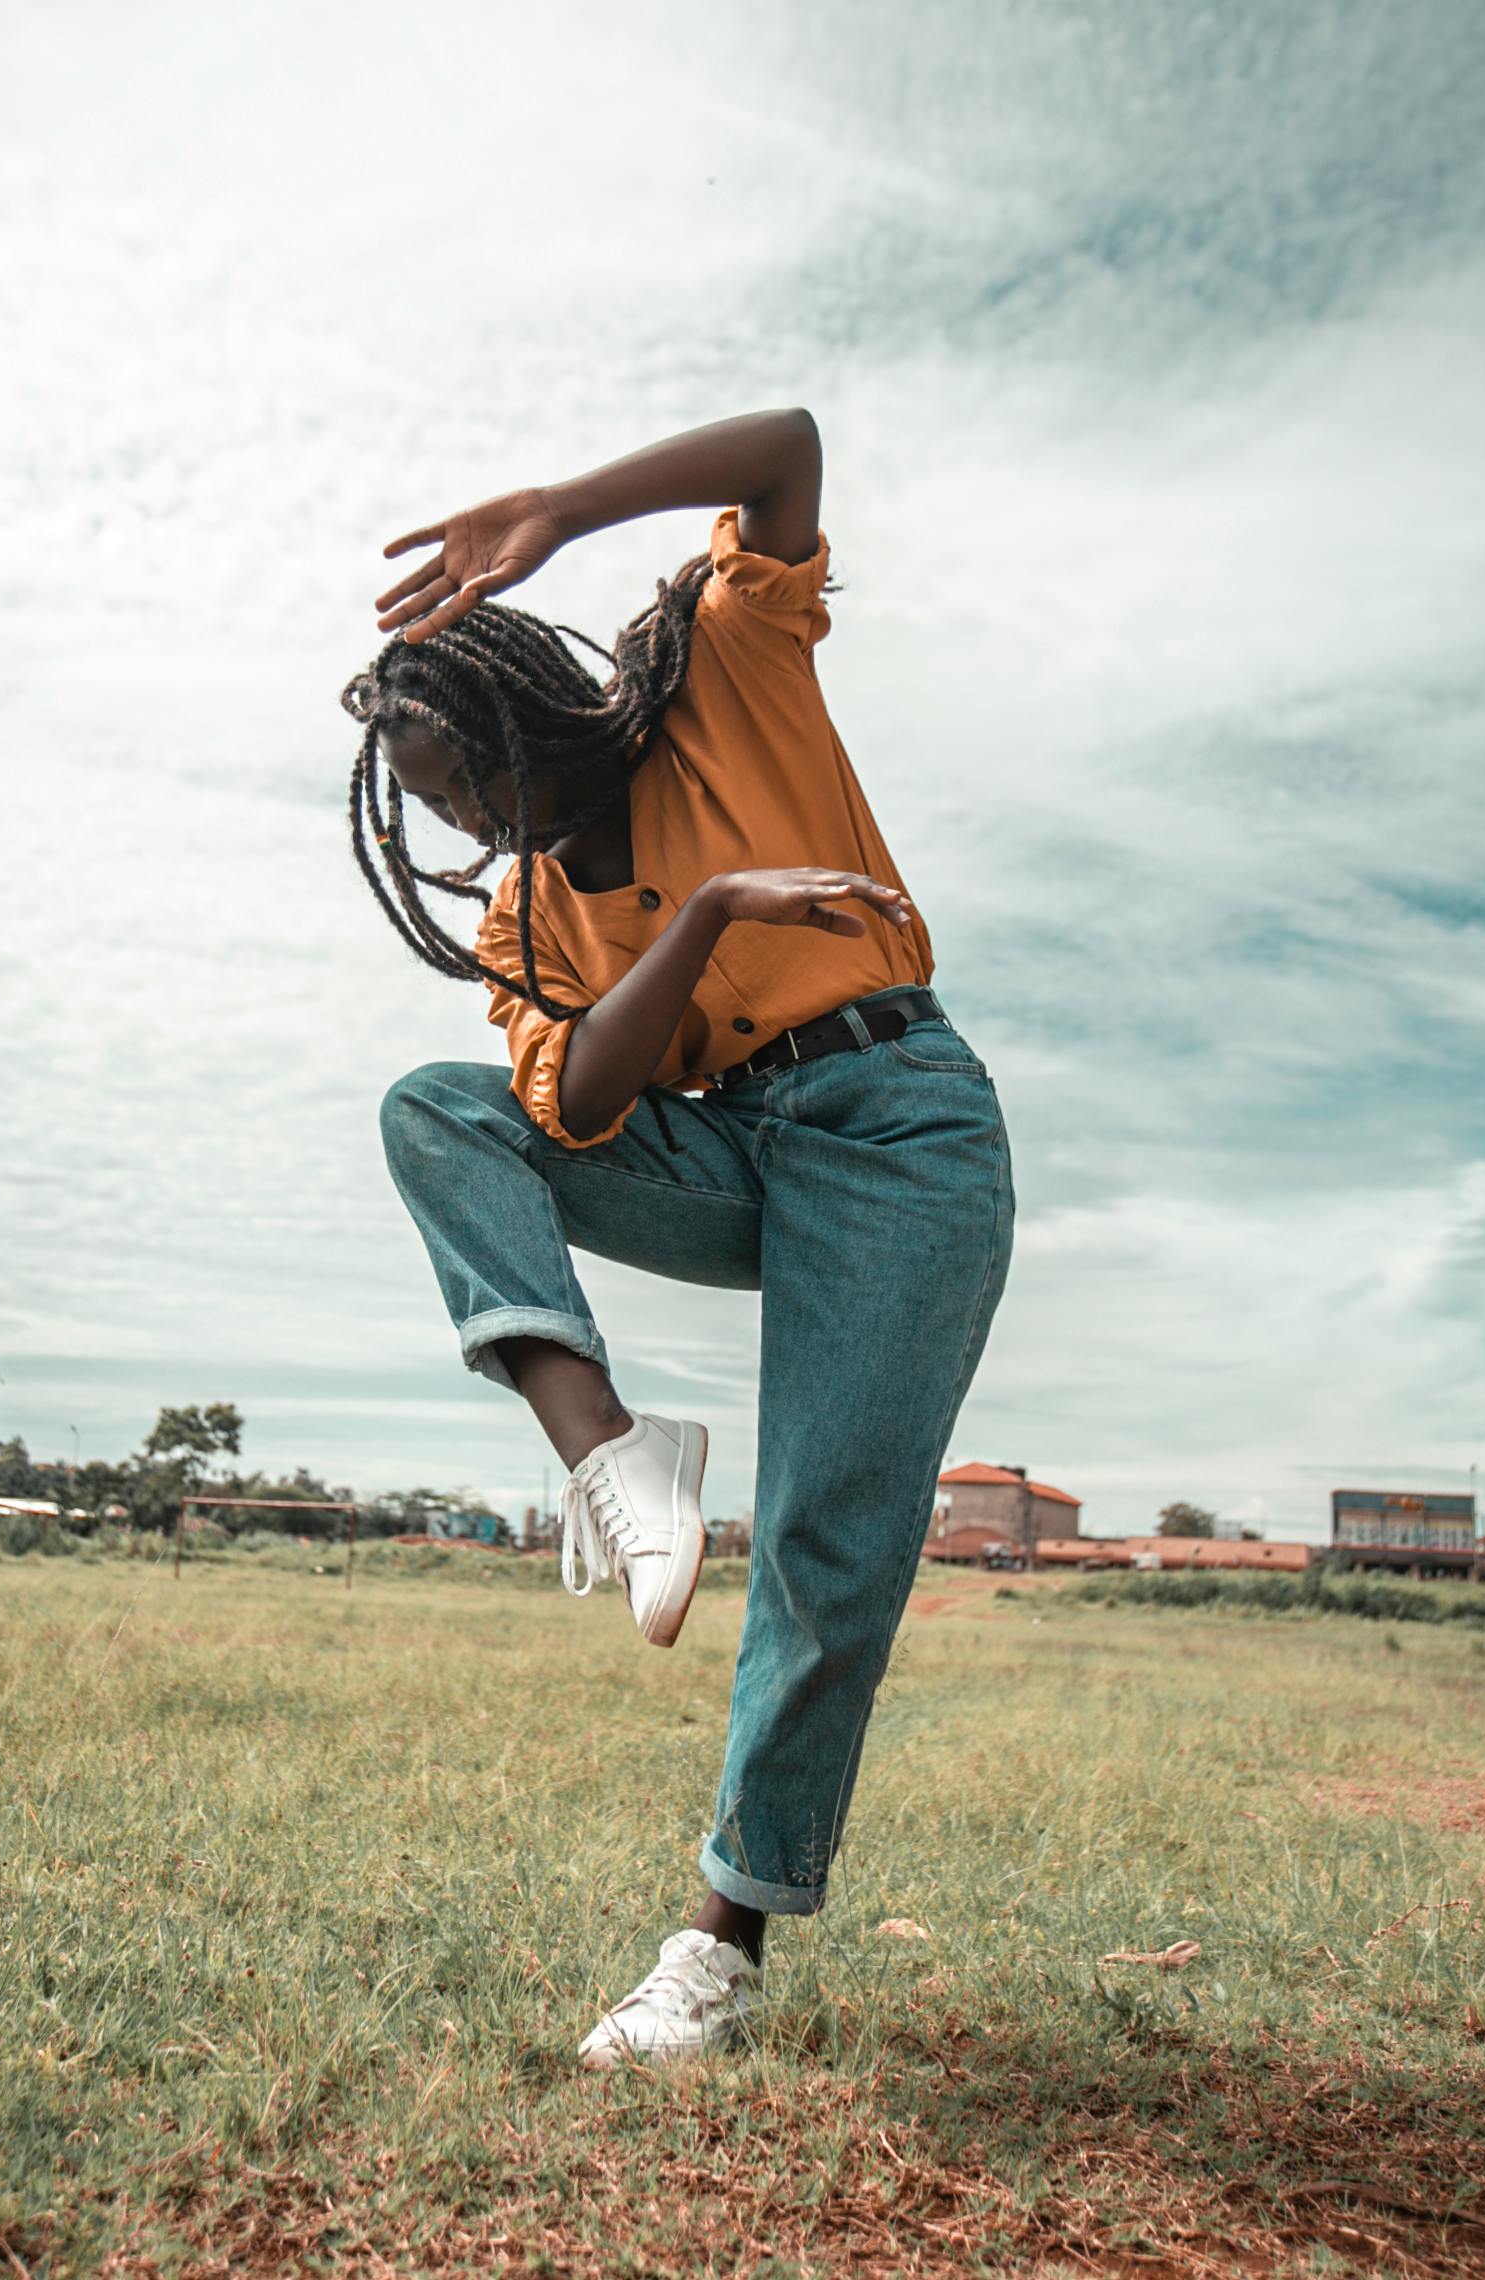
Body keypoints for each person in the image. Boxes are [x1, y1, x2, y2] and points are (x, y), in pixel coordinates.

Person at [343, 408, 1013, 2069]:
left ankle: (720, 1939)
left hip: (901, 1133)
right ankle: (615, 1458)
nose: (468, 832)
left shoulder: (729, 671)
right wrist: (708, 915)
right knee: (445, 1106)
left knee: (825, 1548)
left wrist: (562, 508)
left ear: (526, 717)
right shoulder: (521, 915)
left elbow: (783, 449)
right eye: (431, 808)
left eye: (469, 782)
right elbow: (573, 1105)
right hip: (722, 1154)